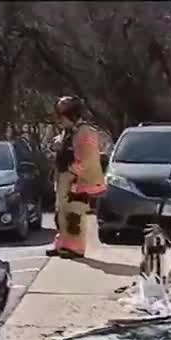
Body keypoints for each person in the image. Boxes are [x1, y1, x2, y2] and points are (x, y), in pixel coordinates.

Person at [46, 96, 106, 258]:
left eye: (61, 116)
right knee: (61, 213)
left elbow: (88, 159)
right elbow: (59, 145)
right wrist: (55, 147)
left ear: (70, 115)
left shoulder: (85, 132)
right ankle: (63, 243)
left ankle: (76, 247)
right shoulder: (70, 131)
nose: (59, 121)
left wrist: (74, 174)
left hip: (76, 179)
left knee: (74, 214)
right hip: (64, 177)